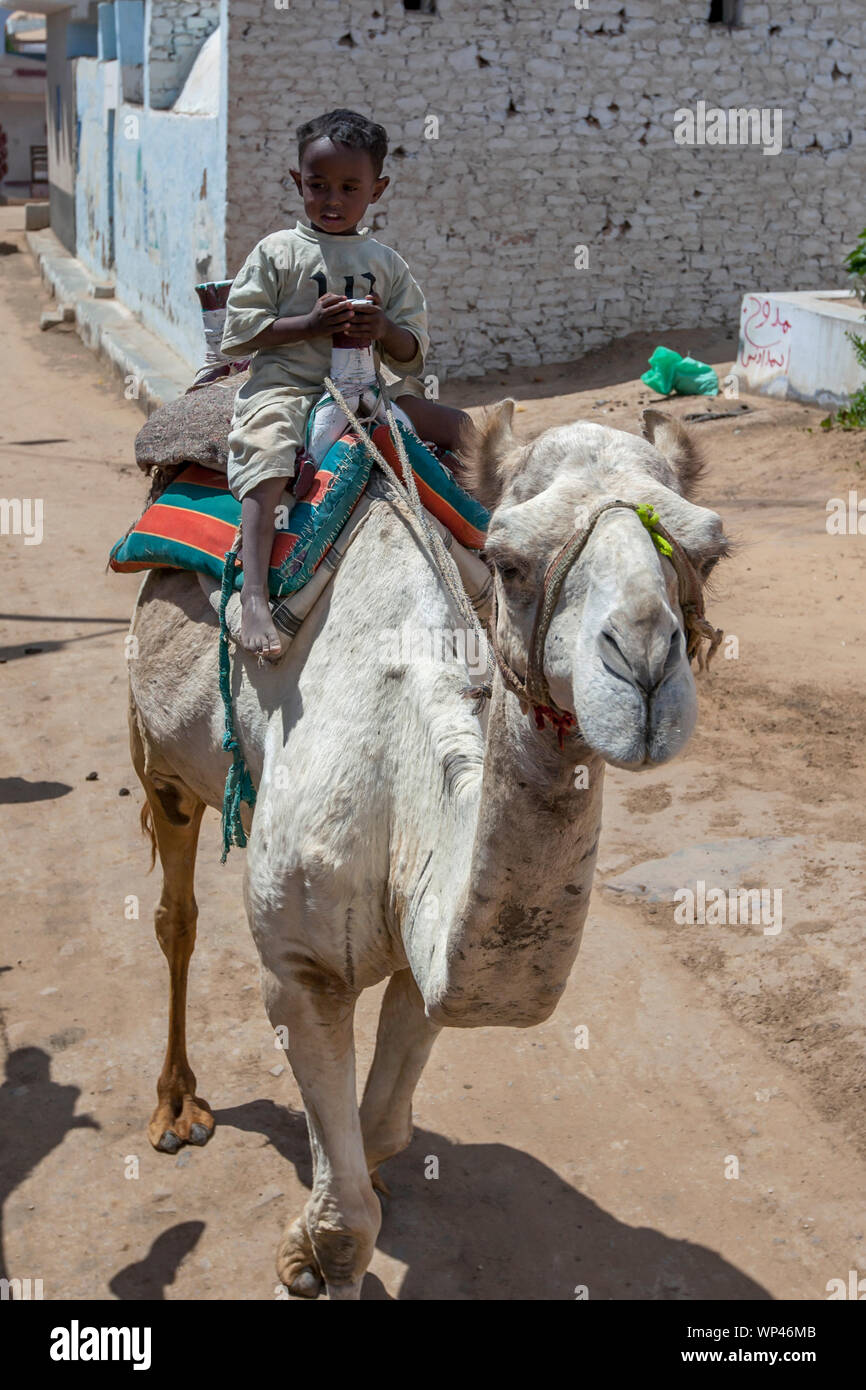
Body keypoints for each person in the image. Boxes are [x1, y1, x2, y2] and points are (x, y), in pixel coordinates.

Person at [220, 108, 474, 659]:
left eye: (349, 187)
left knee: (462, 428)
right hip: (287, 388)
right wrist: (308, 326)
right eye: (318, 186)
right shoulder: (276, 253)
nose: (331, 199)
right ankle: (257, 592)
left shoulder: (385, 263)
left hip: (366, 392)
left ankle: (495, 548)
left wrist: (383, 328)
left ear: (377, 190)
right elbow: (239, 333)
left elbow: (413, 350)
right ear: (297, 182)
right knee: (268, 455)